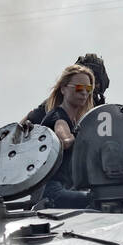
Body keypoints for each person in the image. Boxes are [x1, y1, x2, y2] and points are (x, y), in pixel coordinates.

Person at [31, 63, 97, 209]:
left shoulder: (74, 121)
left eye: (88, 89)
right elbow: (64, 138)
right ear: (63, 89)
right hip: (51, 190)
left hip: (65, 187)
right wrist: (75, 138)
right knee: (98, 200)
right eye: (79, 88)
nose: (84, 93)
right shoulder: (58, 116)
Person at [20, 52, 109, 127]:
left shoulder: (104, 115)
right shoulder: (56, 105)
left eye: (94, 81)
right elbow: (26, 123)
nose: (85, 90)